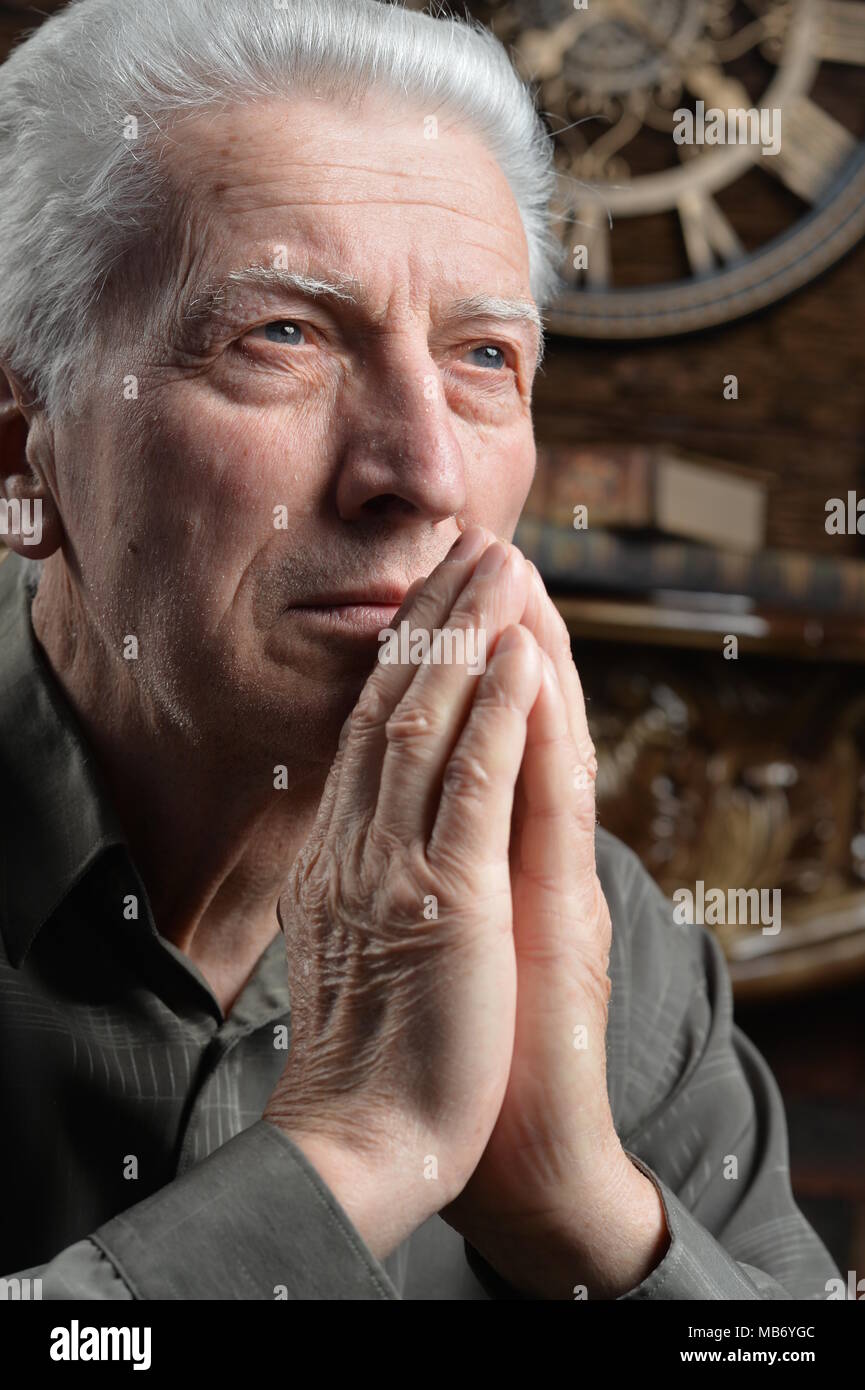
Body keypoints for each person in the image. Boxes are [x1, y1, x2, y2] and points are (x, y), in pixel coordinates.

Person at [0, 0, 839, 1299]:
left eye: (482, 356)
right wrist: (350, 1154)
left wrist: (588, 1216)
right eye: (280, 335)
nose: (423, 470)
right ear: (24, 452)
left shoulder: (598, 927)